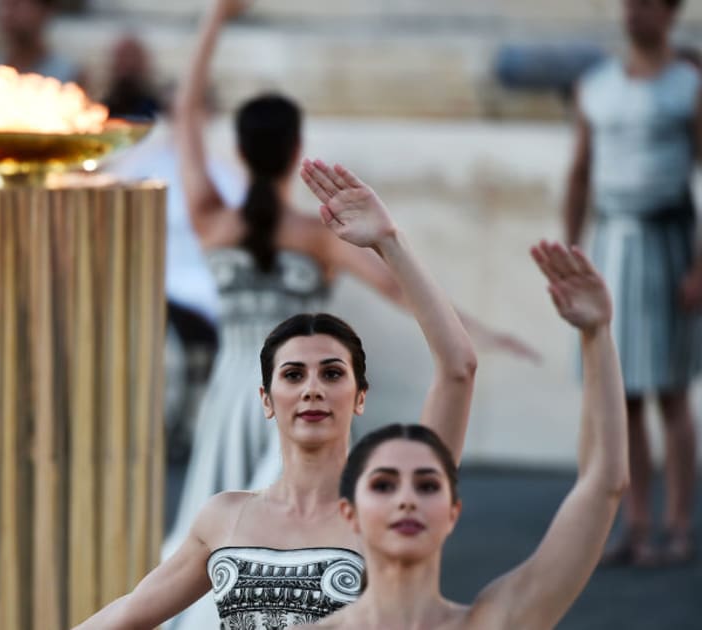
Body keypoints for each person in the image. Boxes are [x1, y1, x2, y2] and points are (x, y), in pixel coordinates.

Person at [162, 7, 536, 618]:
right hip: (304, 386)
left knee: (224, 536)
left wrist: (213, 21)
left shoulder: (211, 219)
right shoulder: (316, 235)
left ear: (240, 150)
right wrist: (480, 333)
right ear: (296, 151)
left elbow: (185, 116)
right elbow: (397, 287)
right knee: (305, 528)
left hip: (239, 394)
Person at [73, 154, 481, 630]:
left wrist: (389, 242)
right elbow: (127, 614)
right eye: (293, 375)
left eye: (332, 374)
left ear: (360, 396)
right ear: (266, 400)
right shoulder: (224, 517)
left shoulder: (391, 507)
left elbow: (458, 368)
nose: (312, 389)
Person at [309, 240, 628, 630]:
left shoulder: (496, 622)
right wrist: (388, 240)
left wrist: (597, 336)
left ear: (452, 512)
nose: (407, 500)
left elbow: (603, 484)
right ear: (350, 514)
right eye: (384, 485)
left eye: (428, 486)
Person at [564, 0, 701, 566]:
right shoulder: (596, 86)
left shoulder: (689, 86)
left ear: (670, 12)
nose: (634, 13)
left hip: (668, 241)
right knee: (621, 395)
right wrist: (570, 257)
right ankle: (636, 522)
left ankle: (679, 524)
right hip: (610, 244)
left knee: (671, 392)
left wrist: (700, 265)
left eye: (647, 3)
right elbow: (580, 174)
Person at [0, 0, 84, 84]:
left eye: (17, 4)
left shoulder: (69, 75)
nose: (8, 12)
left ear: (45, 10)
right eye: (5, 4)